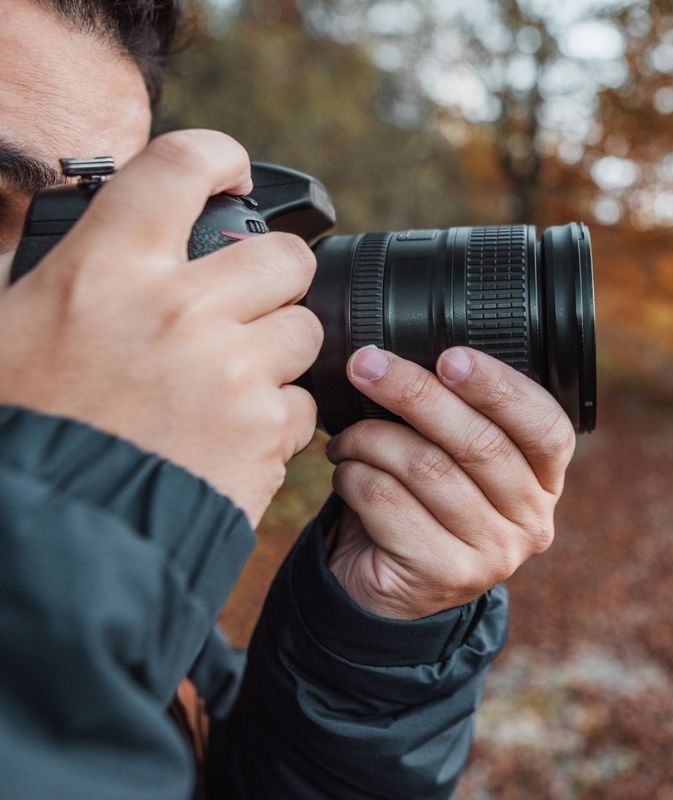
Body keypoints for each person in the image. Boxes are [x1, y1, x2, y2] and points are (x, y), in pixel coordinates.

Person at [0, 1, 575, 797]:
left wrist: (371, 653)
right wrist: (61, 515)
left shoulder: (111, 555)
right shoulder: (75, 525)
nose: (81, 302)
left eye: (95, 226)